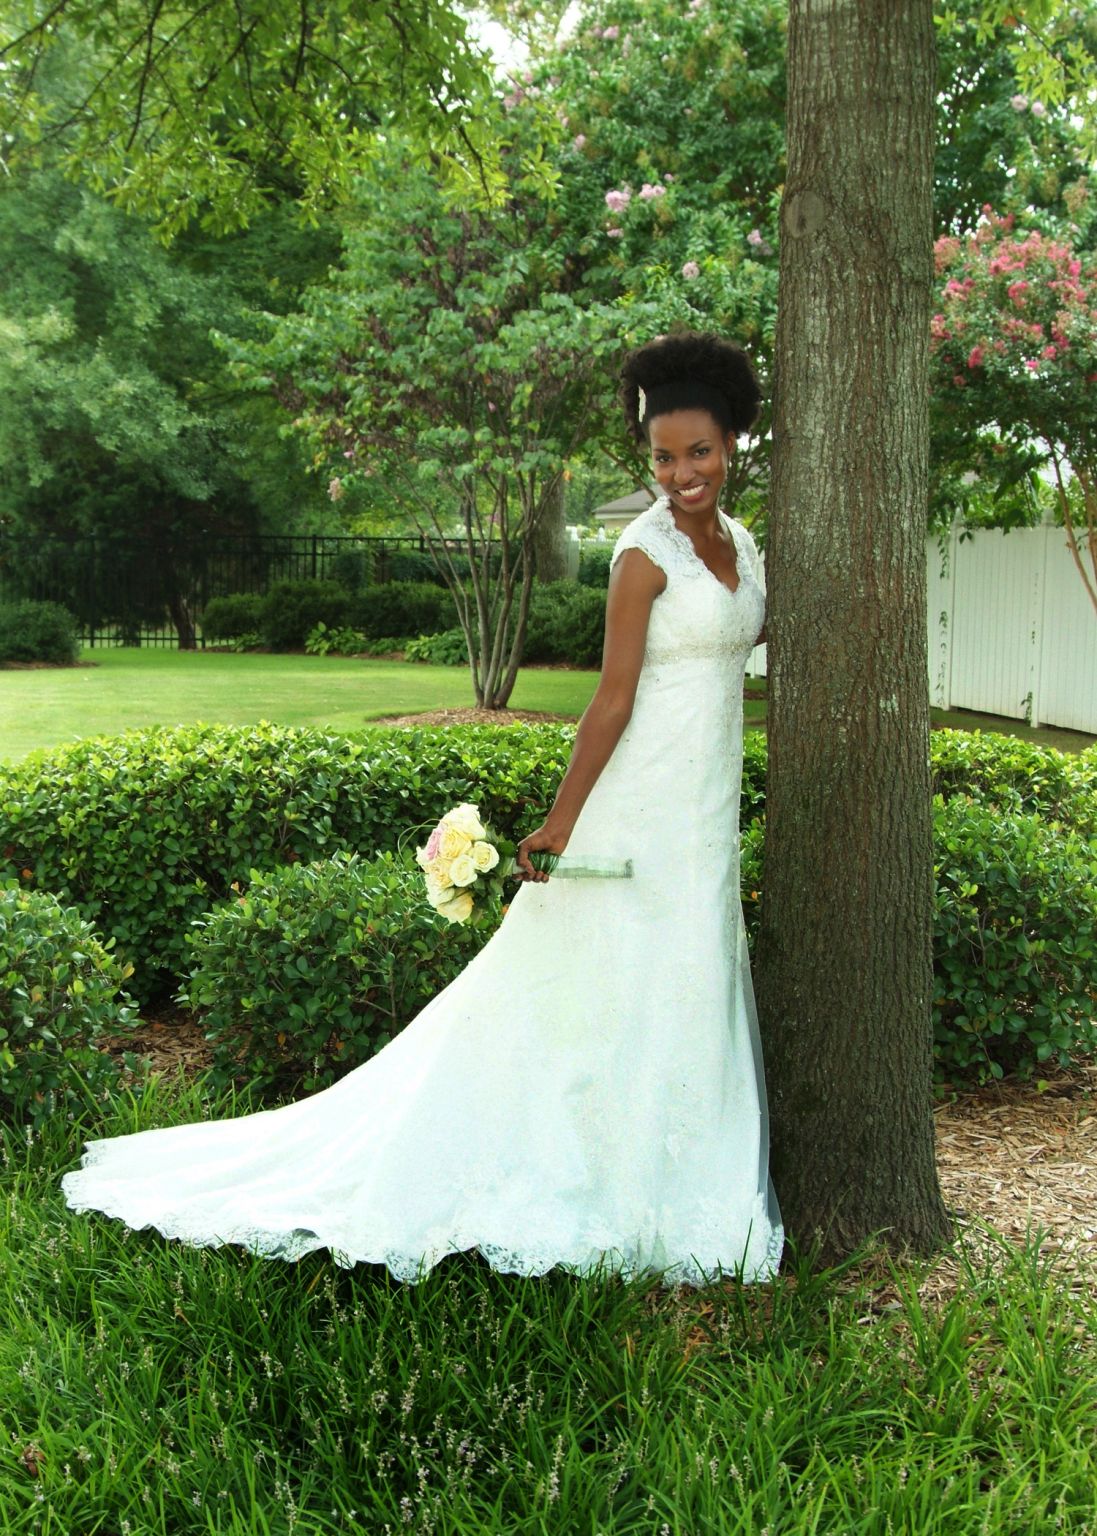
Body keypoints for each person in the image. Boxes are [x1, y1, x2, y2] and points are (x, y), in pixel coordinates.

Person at [62, 330, 784, 1290]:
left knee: (686, 969)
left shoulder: (741, 545)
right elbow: (610, 700)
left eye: (698, 450)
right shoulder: (640, 554)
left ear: (732, 440)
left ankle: (672, 1164)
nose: (680, 472)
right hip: (640, 800)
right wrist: (562, 821)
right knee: (600, 973)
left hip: (706, 806)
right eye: (661, 454)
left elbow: (748, 643)